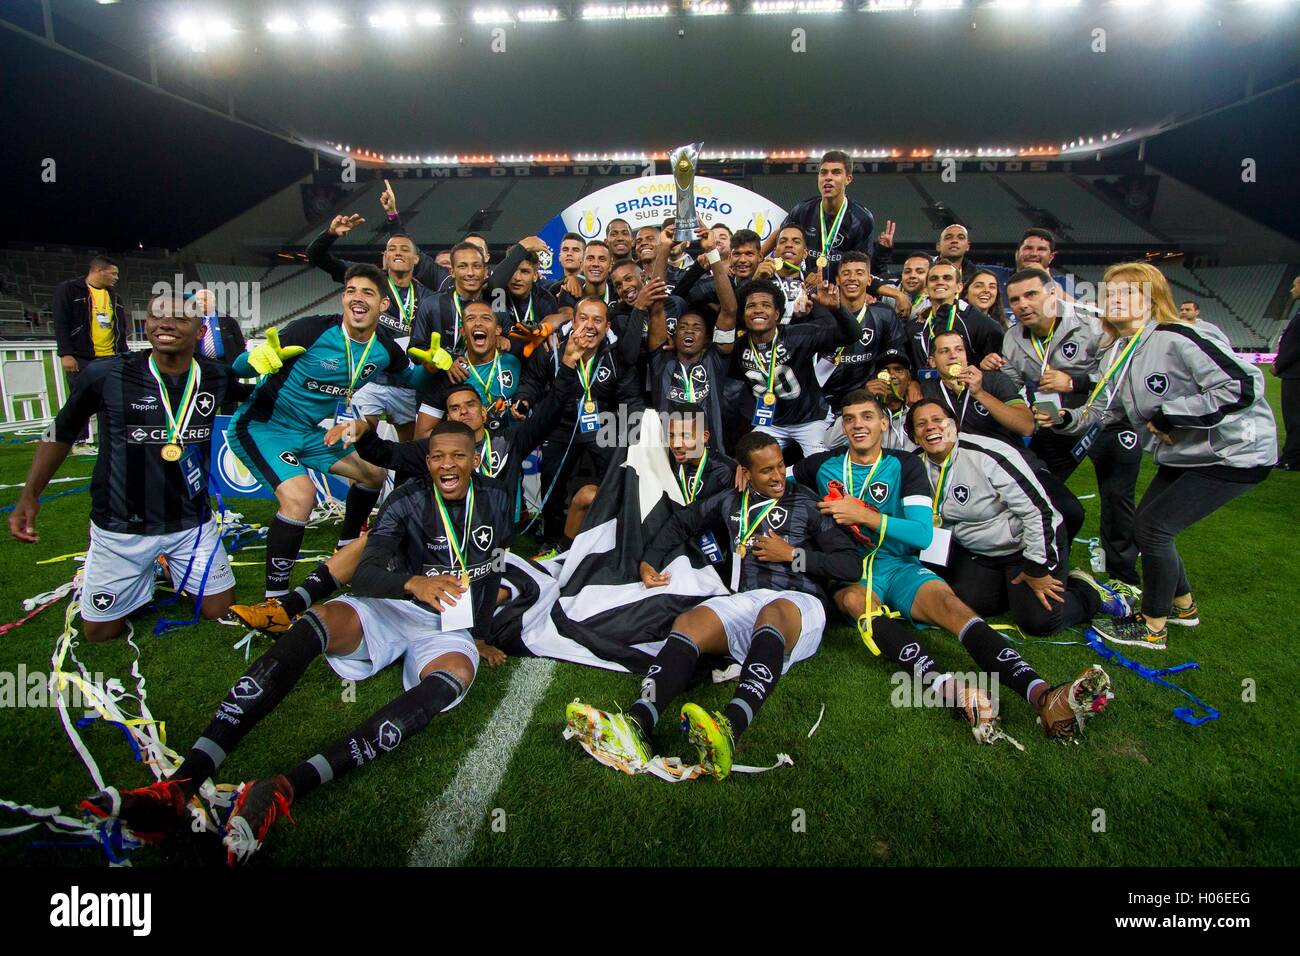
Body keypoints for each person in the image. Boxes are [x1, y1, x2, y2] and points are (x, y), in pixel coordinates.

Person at [82, 422, 515, 863]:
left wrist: (479, 633)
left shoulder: (498, 500)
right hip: (394, 604)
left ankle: (284, 788)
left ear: (474, 460)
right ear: (427, 461)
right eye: (439, 455)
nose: (448, 464)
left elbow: (493, 566)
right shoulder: (406, 498)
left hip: (447, 626)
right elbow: (364, 574)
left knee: (453, 679)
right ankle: (183, 781)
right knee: (316, 623)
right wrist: (414, 582)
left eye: (458, 456)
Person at [791, 390, 1116, 743]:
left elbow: (921, 534)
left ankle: (1042, 695)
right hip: (850, 570)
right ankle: (955, 691)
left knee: (953, 606)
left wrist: (865, 516)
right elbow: (779, 474)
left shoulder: (905, 464)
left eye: (867, 417)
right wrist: (743, 471)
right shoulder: (823, 464)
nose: (858, 425)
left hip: (899, 563)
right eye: (849, 418)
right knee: (857, 604)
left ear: (884, 423)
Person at [231, 340, 586, 644]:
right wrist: (363, 432)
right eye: (454, 408)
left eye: (470, 406)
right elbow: (387, 455)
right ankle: (287, 607)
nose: (463, 412)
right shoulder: (431, 447)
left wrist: (568, 363)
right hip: (433, 539)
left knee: (502, 594)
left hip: (484, 546)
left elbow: (552, 409)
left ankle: (445, 626)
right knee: (366, 544)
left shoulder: (513, 440)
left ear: (483, 411)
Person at [565, 431, 861, 779]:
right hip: (745, 600)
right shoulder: (730, 502)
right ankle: (638, 723)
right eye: (767, 471)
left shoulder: (807, 505)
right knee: (689, 623)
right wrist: (650, 560)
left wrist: (794, 556)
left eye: (780, 465)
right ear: (746, 474)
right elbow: (681, 523)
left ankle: (729, 730)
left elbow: (849, 565)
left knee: (771, 614)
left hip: (799, 605)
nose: (779, 476)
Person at [1039, 261, 1278, 649]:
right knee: (1144, 526)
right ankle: (1183, 606)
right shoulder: (1117, 351)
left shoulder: (1178, 336)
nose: (1115, 299)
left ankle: (1152, 626)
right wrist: (1064, 418)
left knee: (1153, 529)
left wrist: (1171, 414)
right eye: (1110, 292)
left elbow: (1242, 384)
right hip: (1185, 456)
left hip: (1235, 453)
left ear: (1153, 299)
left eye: (1128, 292)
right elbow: (1103, 413)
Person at [9, 295, 246, 640]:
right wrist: (30, 494)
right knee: (100, 632)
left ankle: (163, 565)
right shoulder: (106, 373)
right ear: (146, 324)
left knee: (220, 610)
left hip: (191, 522)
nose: (165, 323)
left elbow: (271, 400)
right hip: (121, 526)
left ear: (199, 331)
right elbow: (62, 429)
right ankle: (143, 567)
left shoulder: (216, 377)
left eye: (181, 318)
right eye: (156, 316)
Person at [226, 264, 447, 598]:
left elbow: (412, 379)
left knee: (373, 475)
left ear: (383, 305)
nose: (357, 298)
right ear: (343, 298)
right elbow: (237, 368)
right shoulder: (310, 331)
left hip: (308, 431)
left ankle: (345, 547)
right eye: (350, 291)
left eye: (367, 292)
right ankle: (274, 600)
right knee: (300, 497)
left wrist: (431, 367)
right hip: (262, 426)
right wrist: (258, 358)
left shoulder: (384, 348)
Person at [909, 400, 1130, 636]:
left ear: (954, 425)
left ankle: (1090, 593)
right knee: (971, 603)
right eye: (921, 424)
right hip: (980, 553)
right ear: (914, 436)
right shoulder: (914, 465)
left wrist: (1037, 567)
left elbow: (1041, 512)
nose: (931, 427)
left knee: (1040, 621)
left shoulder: (988, 454)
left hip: (1023, 548)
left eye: (938, 420)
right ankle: (1012, 591)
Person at [988, 267, 1141, 587]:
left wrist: (1075, 381)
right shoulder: (1013, 337)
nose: (1022, 304)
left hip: (1109, 423)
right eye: (1014, 299)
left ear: (1053, 293)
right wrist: (1010, 390)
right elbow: (1014, 386)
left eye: (1031, 294)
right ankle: (1051, 557)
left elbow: (1127, 371)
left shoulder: (1093, 322)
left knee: (1116, 500)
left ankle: (1123, 578)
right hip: (1056, 424)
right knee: (1037, 490)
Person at [516, 295, 642, 553]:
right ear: (572, 322)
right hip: (560, 425)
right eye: (583, 318)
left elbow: (630, 398)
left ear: (607, 327)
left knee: (619, 474)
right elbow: (532, 381)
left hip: (602, 424)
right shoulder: (553, 349)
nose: (590, 326)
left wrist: (640, 431)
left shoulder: (616, 355)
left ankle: (617, 534)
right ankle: (553, 540)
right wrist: (524, 399)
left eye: (597, 320)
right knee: (552, 481)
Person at [306, 216, 435, 440]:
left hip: (407, 384)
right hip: (369, 379)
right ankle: (361, 475)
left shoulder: (430, 298)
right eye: (391, 249)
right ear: (384, 258)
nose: (398, 253)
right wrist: (330, 234)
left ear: (416, 259)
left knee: (410, 449)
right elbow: (316, 256)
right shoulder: (367, 281)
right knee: (357, 441)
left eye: (404, 249)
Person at [729, 278, 860, 457]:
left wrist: (837, 310)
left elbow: (853, 335)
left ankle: (794, 475)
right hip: (771, 423)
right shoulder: (738, 347)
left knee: (820, 467)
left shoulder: (799, 335)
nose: (758, 309)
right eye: (751, 306)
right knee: (748, 462)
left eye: (765, 305)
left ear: (777, 314)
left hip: (811, 420)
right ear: (743, 314)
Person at [415, 302, 522, 438]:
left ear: (498, 330)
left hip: (511, 448)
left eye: (486, 318)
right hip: (466, 452)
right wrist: (458, 432)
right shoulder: (450, 372)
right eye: (471, 318)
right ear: (463, 331)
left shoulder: (516, 358)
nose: (478, 323)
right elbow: (421, 435)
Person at [768, 150, 878, 281]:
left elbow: (862, 264)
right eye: (823, 172)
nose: (828, 177)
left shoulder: (861, 219)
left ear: (848, 179)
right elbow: (781, 234)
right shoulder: (803, 210)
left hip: (840, 290)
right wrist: (760, 256)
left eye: (836, 172)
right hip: (803, 284)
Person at [52, 256, 127, 440]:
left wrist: (124, 355)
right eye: (113, 273)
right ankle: (78, 440)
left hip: (111, 357)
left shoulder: (114, 296)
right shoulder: (69, 290)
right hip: (82, 357)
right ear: (98, 271)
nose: (116, 277)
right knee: (79, 402)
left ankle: (107, 438)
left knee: (110, 400)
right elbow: (61, 322)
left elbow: (121, 328)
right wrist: (66, 354)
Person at [904, 259, 1003, 371]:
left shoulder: (983, 325)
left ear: (959, 287)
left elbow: (993, 370)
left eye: (947, 278)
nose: (940, 282)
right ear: (926, 288)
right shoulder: (913, 327)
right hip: (924, 387)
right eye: (934, 279)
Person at [1273, 275, 1300, 469]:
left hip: (1295, 374)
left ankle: (1292, 459)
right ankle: (1291, 456)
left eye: (1294, 286)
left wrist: (1279, 364)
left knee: (1294, 417)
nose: (1291, 290)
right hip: (1293, 373)